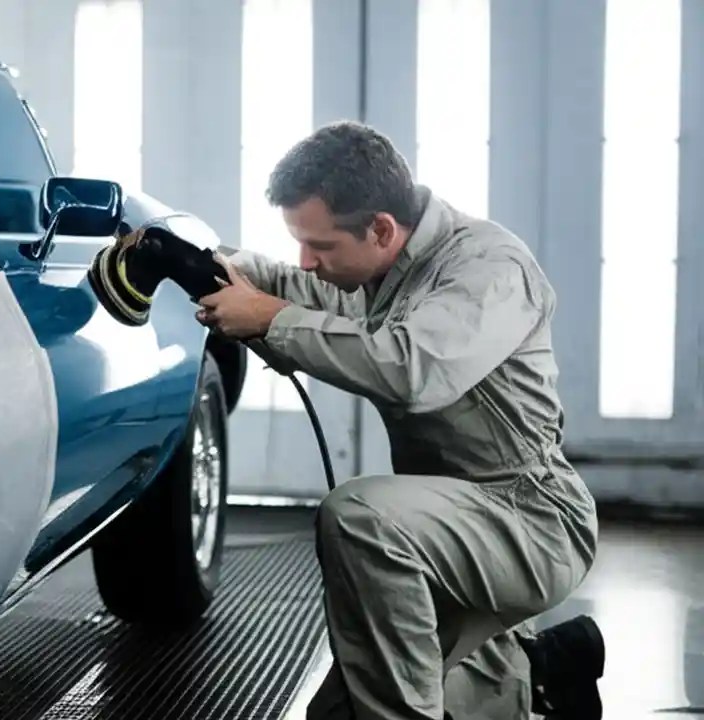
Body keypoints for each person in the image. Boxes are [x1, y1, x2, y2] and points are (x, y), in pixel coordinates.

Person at [194, 120, 604, 719]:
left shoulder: (489, 266)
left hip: (528, 520)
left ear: (381, 228)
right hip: (443, 527)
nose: (306, 262)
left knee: (360, 518)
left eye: (321, 246)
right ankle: (549, 676)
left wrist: (271, 319)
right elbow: (291, 288)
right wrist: (189, 259)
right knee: (338, 714)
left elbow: (414, 369)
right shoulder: (380, 273)